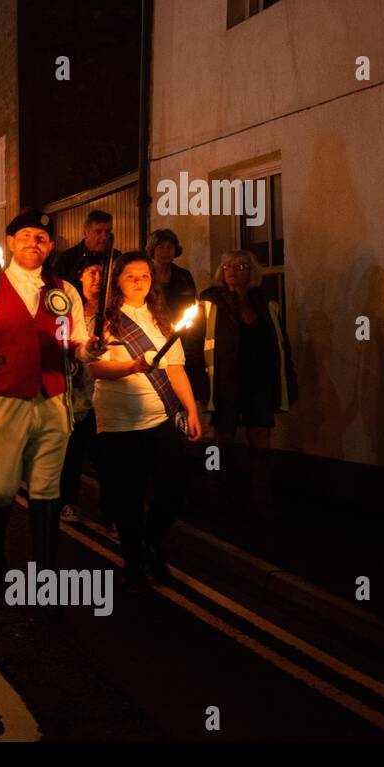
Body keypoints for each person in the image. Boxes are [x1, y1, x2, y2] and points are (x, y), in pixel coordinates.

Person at [0, 211, 105, 575]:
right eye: (25, 235)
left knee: (46, 488)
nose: (33, 243)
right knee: (4, 486)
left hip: (53, 398)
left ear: (50, 246)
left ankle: (45, 579)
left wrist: (90, 350)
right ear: (11, 242)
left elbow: (77, 343)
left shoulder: (65, 291)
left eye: (40, 237)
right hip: (4, 398)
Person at [89, 252, 203, 589]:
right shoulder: (104, 320)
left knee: (174, 487)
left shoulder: (160, 318)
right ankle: (135, 561)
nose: (139, 282)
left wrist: (191, 409)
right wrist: (131, 367)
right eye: (130, 276)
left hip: (159, 419)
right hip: (119, 422)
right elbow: (95, 368)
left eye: (145, 276)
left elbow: (176, 367)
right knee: (128, 496)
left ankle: (151, 541)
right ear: (118, 281)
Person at [199, 249, 297, 516]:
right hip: (225, 382)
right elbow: (195, 346)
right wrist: (199, 385)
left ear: (251, 272)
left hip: (259, 382)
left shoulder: (266, 304)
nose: (233, 271)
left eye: (240, 266)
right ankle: (213, 488)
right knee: (222, 437)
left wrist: (289, 381)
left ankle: (261, 497)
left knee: (260, 436)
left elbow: (280, 346)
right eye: (228, 266)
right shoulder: (210, 303)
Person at [58, 261, 104, 524]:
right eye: (91, 273)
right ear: (81, 276)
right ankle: (68, 501)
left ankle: (111, 512)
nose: (97, 278)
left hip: (103, 393)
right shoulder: (69, 309)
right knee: (72, 453)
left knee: (105, 457)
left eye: (100, 273)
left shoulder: (111, 312)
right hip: (75, 392)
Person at [146, 228, 206, 403]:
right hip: (154, 338)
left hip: (182, 338)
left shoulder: (183, 276)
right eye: (161, 247)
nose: (166, 251)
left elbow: (194, 305)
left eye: (170, 247)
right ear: (152, 249)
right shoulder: (146, 275)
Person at [54, 209, 121, 290]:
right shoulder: (66, 259)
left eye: (107, 232)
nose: (104, 237)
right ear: (85, 233)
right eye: (98, 232)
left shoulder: (117, 257)